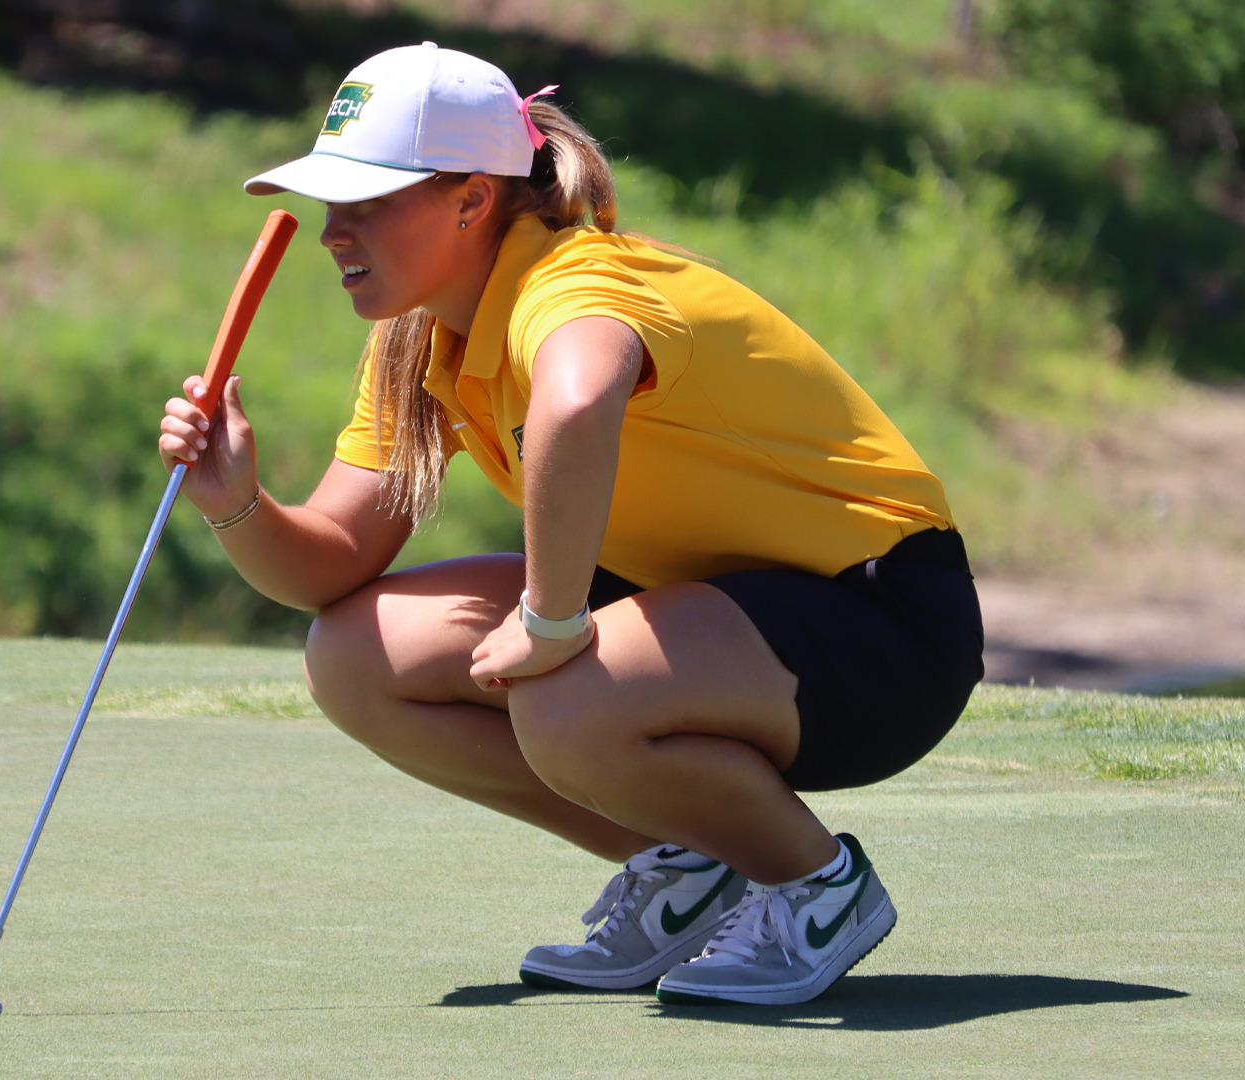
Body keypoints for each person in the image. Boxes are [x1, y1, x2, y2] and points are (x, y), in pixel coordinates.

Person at [157, 42, 983, 1006]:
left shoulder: (574, 283)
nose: (335, 233)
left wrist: (552, 623)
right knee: (353, 654)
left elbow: (578, 402)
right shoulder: (425, 331)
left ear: (471, 200)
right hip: (706, 614)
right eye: (331, 204)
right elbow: (327, 567)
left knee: (563, 697)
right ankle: (691, 866)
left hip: (881, 626)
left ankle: (814, 885)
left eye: (367, 203)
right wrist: (236, 503)